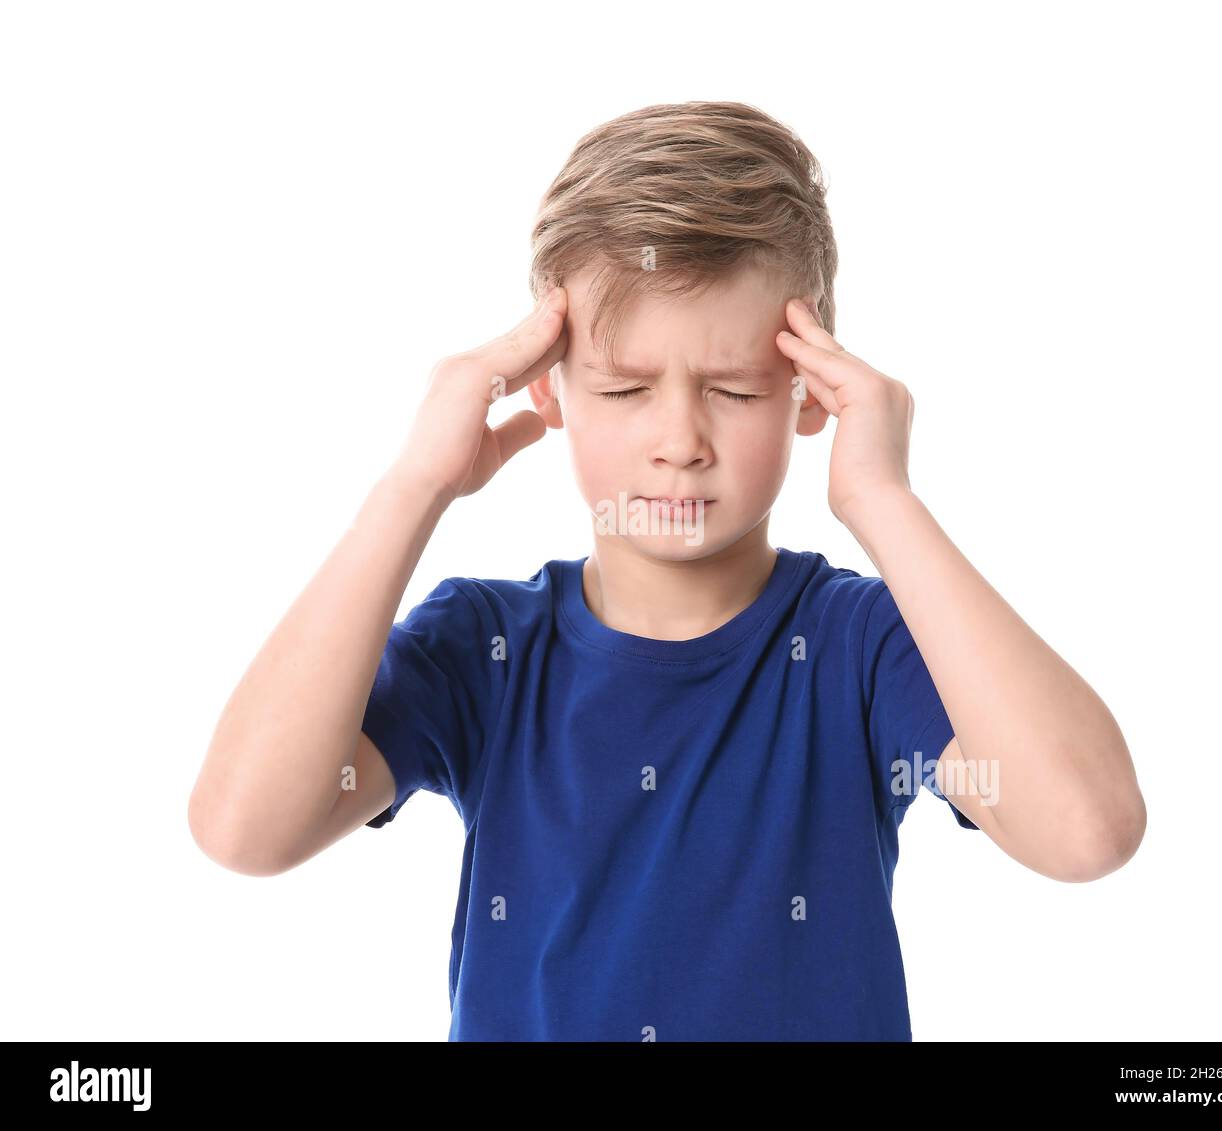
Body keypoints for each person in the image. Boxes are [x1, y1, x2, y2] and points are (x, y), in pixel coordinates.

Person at [189, 100, 1145, 1041]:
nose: (679, 442)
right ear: (546, 386)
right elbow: (244, 828)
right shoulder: (482, 650)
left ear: (811, 393)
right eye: (625, 389)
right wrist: (413, 487)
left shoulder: (861, 648)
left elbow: (1088, 829)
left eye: (733, 389)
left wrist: (886, 503)